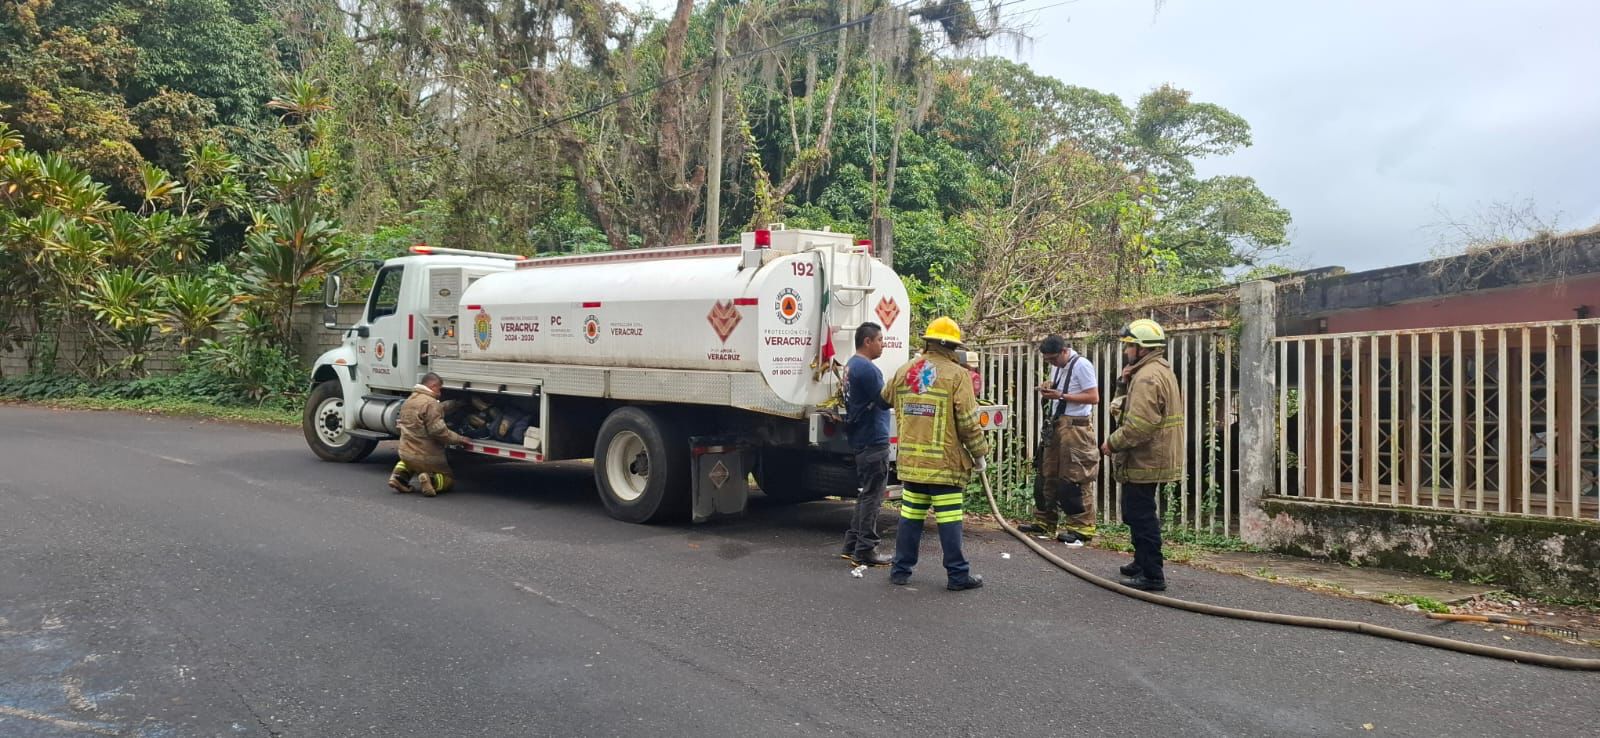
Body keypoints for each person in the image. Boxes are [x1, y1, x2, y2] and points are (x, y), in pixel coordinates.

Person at [882, 316, 991, 591]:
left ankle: (900, 570)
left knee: (910, 517)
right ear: (953, 347)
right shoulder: (958, 375)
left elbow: (885, 397)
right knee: (949, 520)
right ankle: (957, 576)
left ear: (927, 342)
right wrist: (979, 453)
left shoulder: (905, 370)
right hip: (944, 463)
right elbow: (967, 422)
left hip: (912, 462)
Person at [1100, 319, 1183, 591]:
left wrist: (1112, 443)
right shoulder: (1156, 369)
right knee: (1134, 512)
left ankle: (1152, 574)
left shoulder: (1147, 377)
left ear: (1143, 348)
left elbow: (1139, 425)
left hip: (1146, 457)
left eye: (1130, 346)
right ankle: (1141, 561)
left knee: (1141, 515)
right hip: (1151, 456)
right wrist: (1123, 383)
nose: (1126, 351)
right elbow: (1122, 409)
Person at [1019, 335, 1100, 545]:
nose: (1052, 363)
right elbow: (1061, 389)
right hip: (1056, 424)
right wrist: (1048, 387)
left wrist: (1062, 396)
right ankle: (1044, 521)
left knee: (1074, 477)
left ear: (1064, 351)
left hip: (1076, 427)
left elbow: (1094, 397)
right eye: (1048, 360)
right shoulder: (1058, 367)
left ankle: (1081, 528)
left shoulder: (1082, 365)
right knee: (1046, 473)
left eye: (1054, 359)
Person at [841, 322, 894, 567]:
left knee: (865, 495)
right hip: (873, 438)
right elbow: (884, 400)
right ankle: (865, 550)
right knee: (873, 497)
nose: (883, 344)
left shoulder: (851, 365)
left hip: (860, 438)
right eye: (880, 340)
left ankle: (852, 544)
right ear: (867, 341)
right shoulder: (869, 370)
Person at [388, 372, 471, 497]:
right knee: (448, 479)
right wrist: (459, 439)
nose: (440, 393)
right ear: (433, 386)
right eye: (439, 389)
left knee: (409, 462)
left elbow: (435, 409)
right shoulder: (431, 403)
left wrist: (455, 404)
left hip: (405, 452)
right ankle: (431, 480)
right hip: (427, 455)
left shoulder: (410, 400)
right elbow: (439, 432)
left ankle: (398, 478)